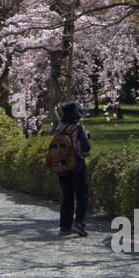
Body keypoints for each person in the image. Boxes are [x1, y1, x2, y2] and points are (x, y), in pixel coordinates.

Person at [55, 100, 91, 236]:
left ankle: (64, 227)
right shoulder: (78, 129)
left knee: (67, 197)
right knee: (81, 196)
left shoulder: (59, 129)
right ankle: (79, 224)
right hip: (76, 166)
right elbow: (86, 147)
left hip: (61, 168)